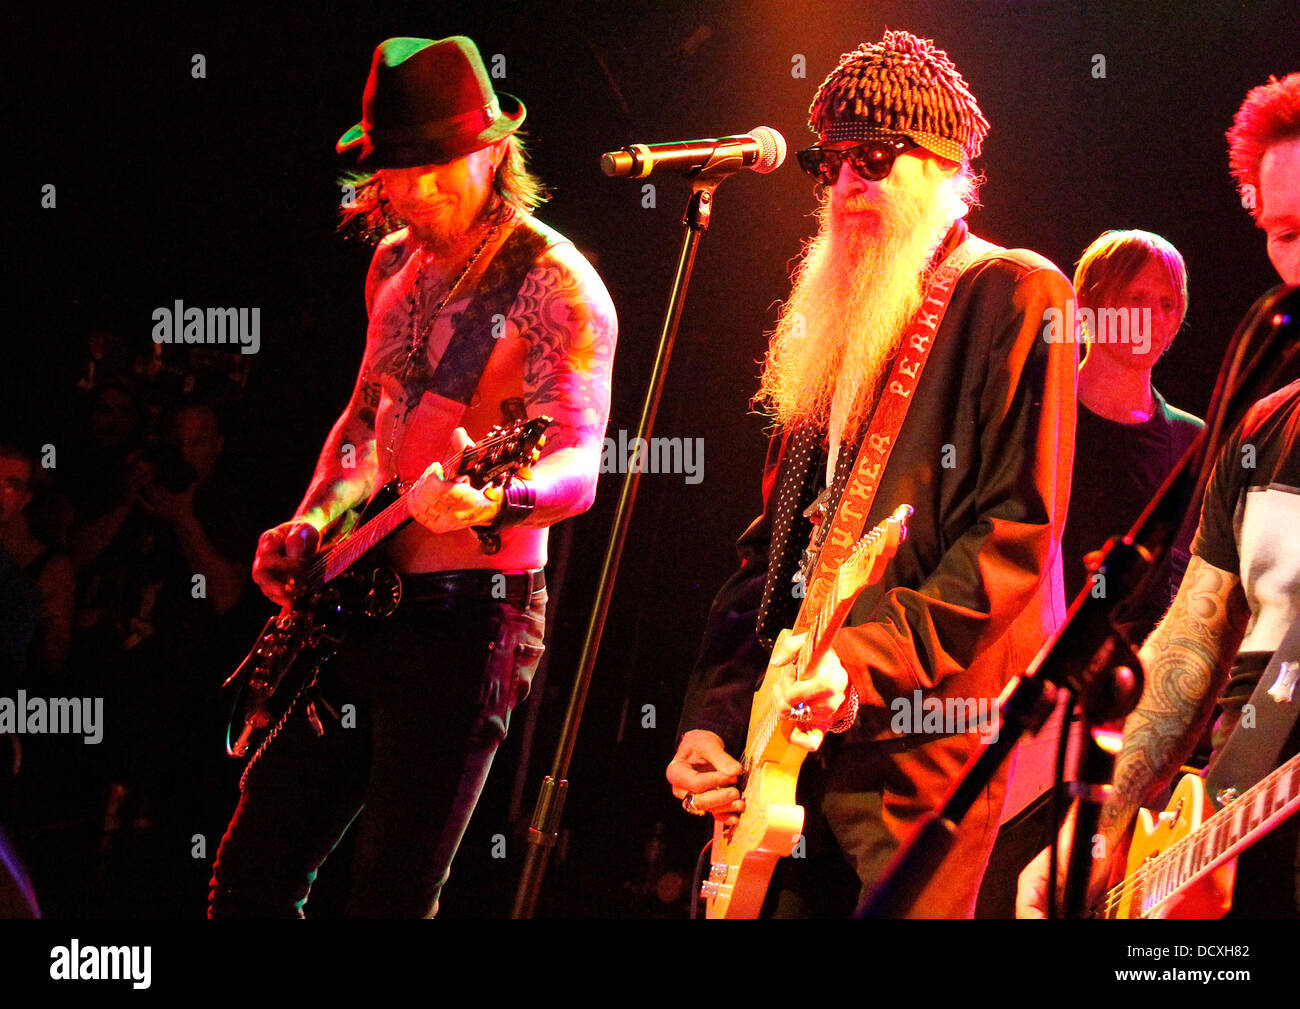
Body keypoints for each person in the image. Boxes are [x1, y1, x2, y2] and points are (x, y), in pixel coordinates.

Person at [665, 30, 1076, 917]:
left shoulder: (1014, 294)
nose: (847, 182)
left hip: (916, 759)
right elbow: (772, 550)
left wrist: (858, 662)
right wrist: (716, 710)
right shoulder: (834, 313)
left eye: (874, 158)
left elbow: (1013, 534)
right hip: (781, 761)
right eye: (831, 163)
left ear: (943, 167)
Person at [207, 36, 616, 917]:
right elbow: (366, 419)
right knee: (250, 873)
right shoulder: (391, 264)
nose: (418, 189)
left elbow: (582, 460)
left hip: (471, 621)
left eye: (441, 166)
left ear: (493, 151)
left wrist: (496, 497)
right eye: (399, 169)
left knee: (389, 897)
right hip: (357, 603)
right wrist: (312, 520)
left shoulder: (556, 285)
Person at [1017, 71, 1300, 918]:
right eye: (1286, 233)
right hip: (1224, 837)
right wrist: (1098, 830)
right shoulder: (1261, 423)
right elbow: (1192, 637)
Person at [975, 230, 1203, 916]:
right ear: (1093, 302)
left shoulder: (1190, 441)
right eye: (1138, 298)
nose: (1156, 319)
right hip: (1015, 694)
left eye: (1169, 304)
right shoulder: (1040, 415)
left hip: (1119, 714)